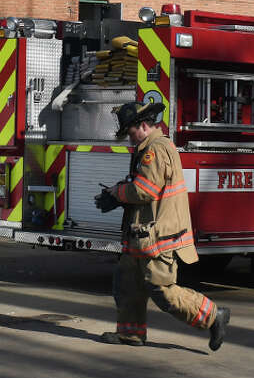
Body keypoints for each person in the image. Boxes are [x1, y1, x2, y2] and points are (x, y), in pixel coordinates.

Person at [94, 97, 230, 353]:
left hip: (157, 236)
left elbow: (145, 190)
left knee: (162, 290)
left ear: (142, 125)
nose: (129, 138)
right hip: (140, 233)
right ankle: (130, 335)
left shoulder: (156, 148)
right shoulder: (147, 147)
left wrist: (117, 192)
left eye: (131, 132)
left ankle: (212, 315)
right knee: (128, 284)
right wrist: (120, 196)